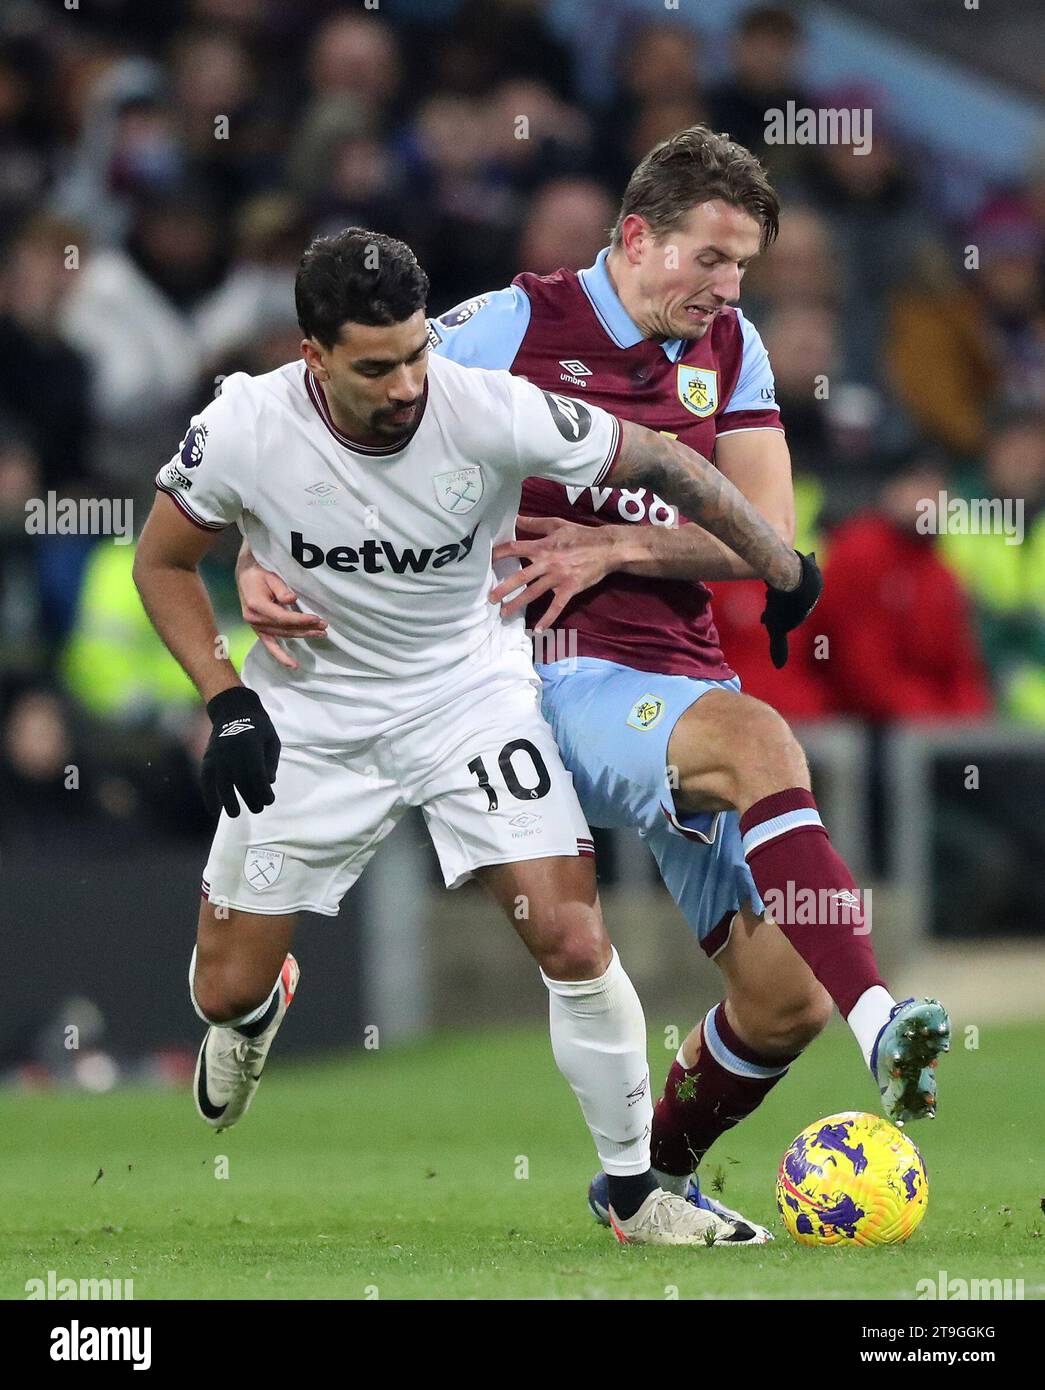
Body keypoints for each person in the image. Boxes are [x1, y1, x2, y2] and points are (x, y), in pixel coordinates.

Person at [239, 130, 951, 1237]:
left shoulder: (734, 347)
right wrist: (255, 547)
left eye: (744, 268)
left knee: (778, 1000)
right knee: (763, 741)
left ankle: (643, 1187)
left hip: (680, 677)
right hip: (552, 666)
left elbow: (769, 537)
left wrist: (624, 549)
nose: (726, 290)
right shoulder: (511, 325)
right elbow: (332, 411)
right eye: (709, 260)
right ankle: (886, 1022)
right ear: (633, 237)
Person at [133, 227, 820, 1247]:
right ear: (312, 356)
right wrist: (226, 695)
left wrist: (781, 566)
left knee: (572, 935)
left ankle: (637, 1194)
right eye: (378, 365)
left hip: (468, 697)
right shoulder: (243, 426)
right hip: (314, 713)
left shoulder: (482, 404)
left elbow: (664, 459)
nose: (410, 381)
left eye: (416, 351)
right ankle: (258, 1001)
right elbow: (162, 561)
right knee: (219, 985)